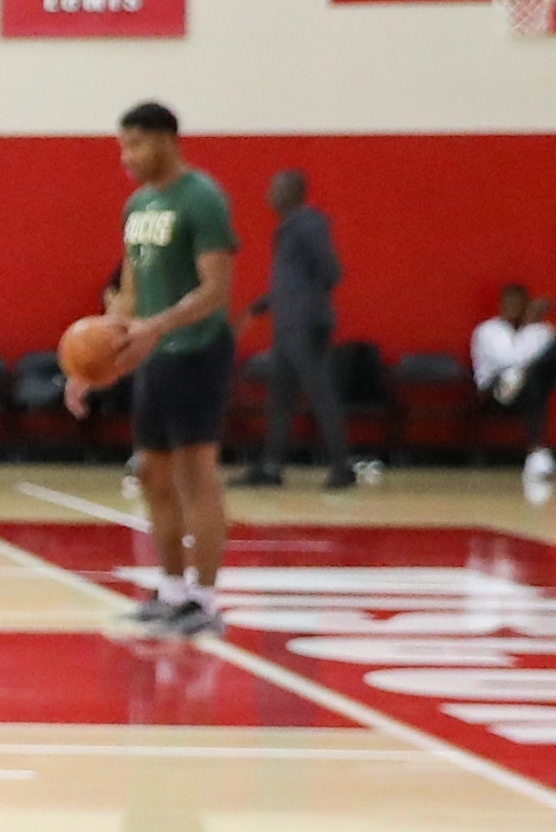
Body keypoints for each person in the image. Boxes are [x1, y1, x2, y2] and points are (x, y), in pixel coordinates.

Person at [98, 102, 239, 638]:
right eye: (122, 145)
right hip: (155, 359)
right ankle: (171, 590)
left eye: (134, 145)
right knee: (154, 479)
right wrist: (94, 359)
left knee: (195, 476)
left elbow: (216, 290)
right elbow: (130, 295)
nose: (126, 157)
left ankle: (204, 598)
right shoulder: (137, 206)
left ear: (165, 140)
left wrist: (160, 324)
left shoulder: (202, 199)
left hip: (199, 351)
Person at [245, 166, 364, 491]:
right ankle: (271, 466)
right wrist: (271, 301)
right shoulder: (290, 226)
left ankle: (343, 465)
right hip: (288, 321)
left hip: (304, 323)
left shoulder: (309, 223)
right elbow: (296, 276)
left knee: (320, 393)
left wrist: (304, 306)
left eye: (274, 188)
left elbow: (329, 270)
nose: (268, 194)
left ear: (291, 192)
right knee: (280, 396)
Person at [474, 283, 556, 483]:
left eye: (519, 304)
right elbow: (510, 359)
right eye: (509, 303)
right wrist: (529, 323)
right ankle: (538, 454)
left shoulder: (543, 331)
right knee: (520, 377)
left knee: (533, 382)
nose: (513, 308)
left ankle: (536, 452)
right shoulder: (488, 331)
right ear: (501, 305)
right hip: (495, 393)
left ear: (527, 305)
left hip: (529, 390)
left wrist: (530, 326)